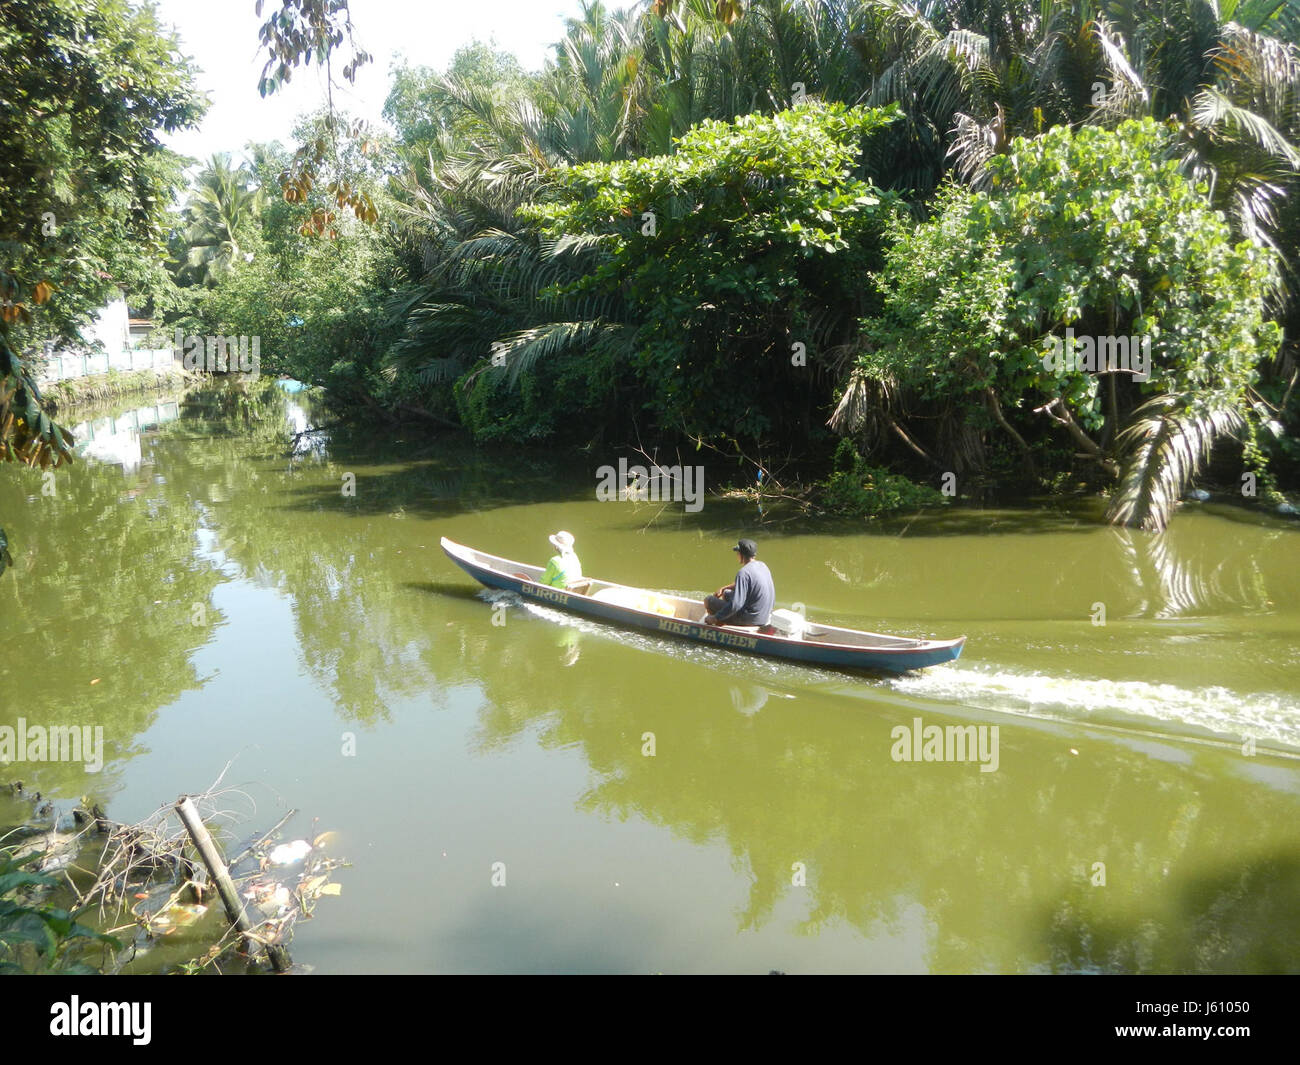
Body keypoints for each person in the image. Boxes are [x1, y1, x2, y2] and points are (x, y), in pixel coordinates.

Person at [704, 538, 774, 627]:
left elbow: (737, 604)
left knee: (708, 600)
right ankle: (725, 619)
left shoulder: (743, 572)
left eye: (737, 553)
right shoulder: (763, 566)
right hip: (764, 616)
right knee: (726, 593)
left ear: (741, 554)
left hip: (751, 619)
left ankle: (717, 624)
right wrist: (725, 588)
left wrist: (715, 617)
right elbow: (747, 584)